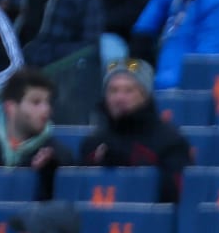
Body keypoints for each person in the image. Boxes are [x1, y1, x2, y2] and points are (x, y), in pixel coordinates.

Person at [80, 58, 193, 203]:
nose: (119, 98)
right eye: (113, 90)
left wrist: (129, 165)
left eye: (129, 90)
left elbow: (179, 195)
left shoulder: (170, 140)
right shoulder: (93, 142)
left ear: (145, 96)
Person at [0, 67, 67, 200]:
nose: (46, 109)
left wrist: (43, 172)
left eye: (47, 102)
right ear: (10, 107)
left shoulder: (56, 155)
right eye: (36, 102)